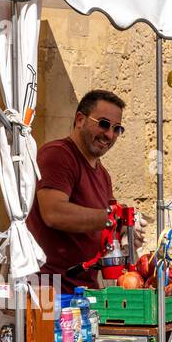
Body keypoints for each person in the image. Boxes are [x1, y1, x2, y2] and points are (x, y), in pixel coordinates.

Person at [27, 89, 145, 292]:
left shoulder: (103, 175)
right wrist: (114, 219)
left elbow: (105, 225)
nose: (109, 134)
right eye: (103, 124)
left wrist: (126, 234)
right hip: (50, 292)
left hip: (85, 292)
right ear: (80, 120)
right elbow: (53, 212)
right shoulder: (57, 155)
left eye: (117, 129)